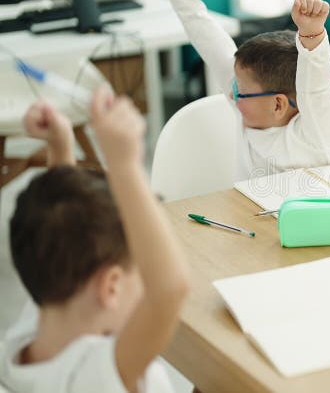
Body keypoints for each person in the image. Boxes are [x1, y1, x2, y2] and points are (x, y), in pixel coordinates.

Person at [0, 92, 190, 392]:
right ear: (111, 285)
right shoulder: (92, 376)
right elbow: (169, 291)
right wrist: (125, 166)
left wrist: (60, 145)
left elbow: (60, 225)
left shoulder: (32, 330)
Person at [167, 0, 330, 181]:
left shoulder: (315, 134)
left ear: (278, 104)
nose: (230, 95)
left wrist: (312, 35)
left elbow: (316, 89)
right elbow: (212, 44)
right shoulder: (250, 101)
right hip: (252, 212)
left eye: (239, 93)